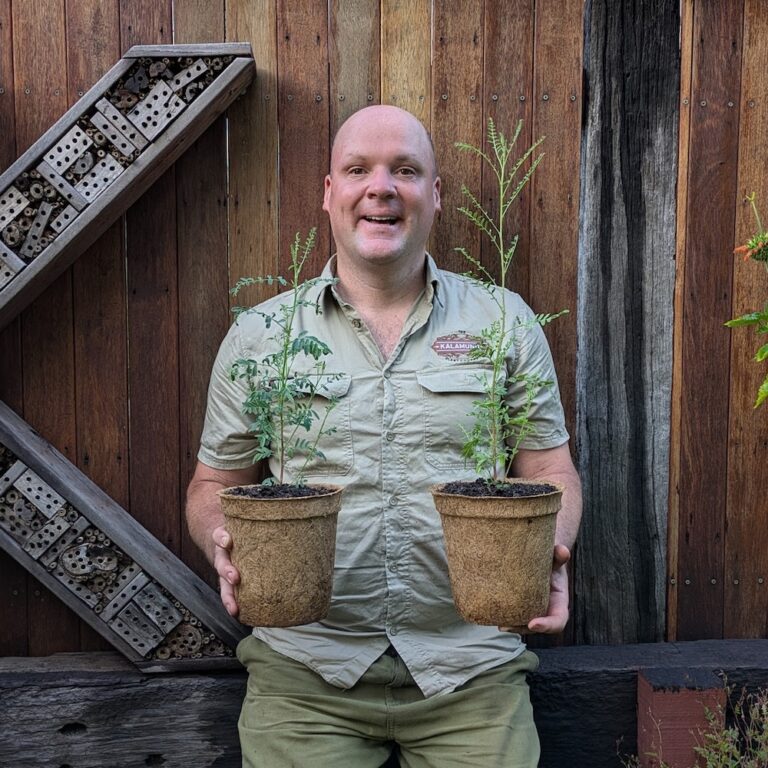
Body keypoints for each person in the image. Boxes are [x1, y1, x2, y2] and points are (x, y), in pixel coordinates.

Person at [185, 104, 582, 768]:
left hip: (470, 671)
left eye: (406, 169)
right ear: (329, 193)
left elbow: (551, 470)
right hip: (306, 677)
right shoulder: (263, 339)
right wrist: (218, 542)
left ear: (435, 195)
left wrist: (553, 547)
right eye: (358, 169)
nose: (382, 187)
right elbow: (213, 486)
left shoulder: (503, 323)